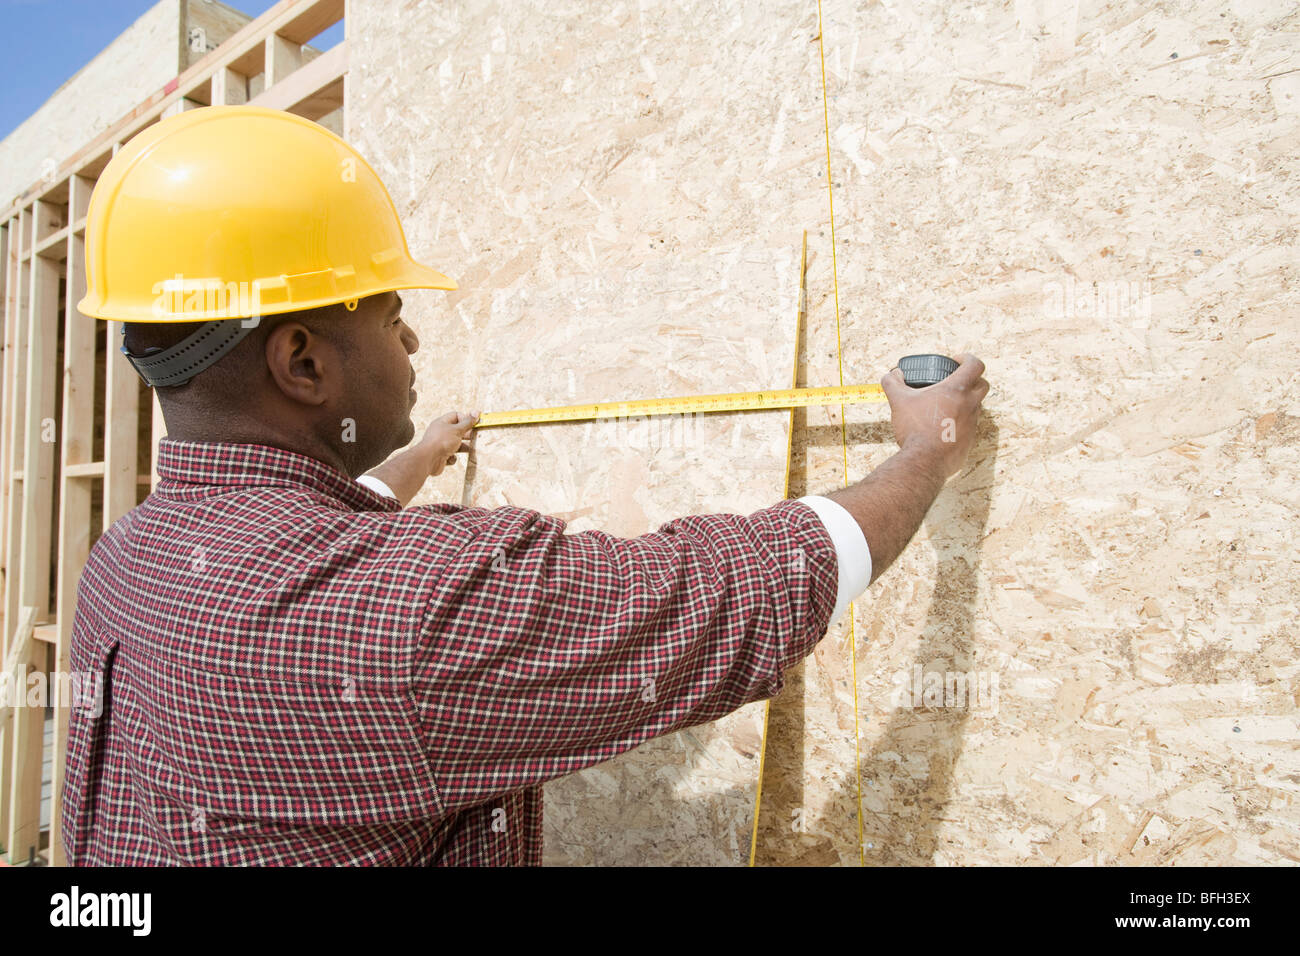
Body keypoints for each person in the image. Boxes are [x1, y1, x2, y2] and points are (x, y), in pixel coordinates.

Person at [62, 105, 988, 865]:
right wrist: (922, 452)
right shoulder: (412, 610)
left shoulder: (123, 564)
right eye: (391, 316)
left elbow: (316, 542)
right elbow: (730, 590)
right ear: (302, 362)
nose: (413, 341)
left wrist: (415, 456)